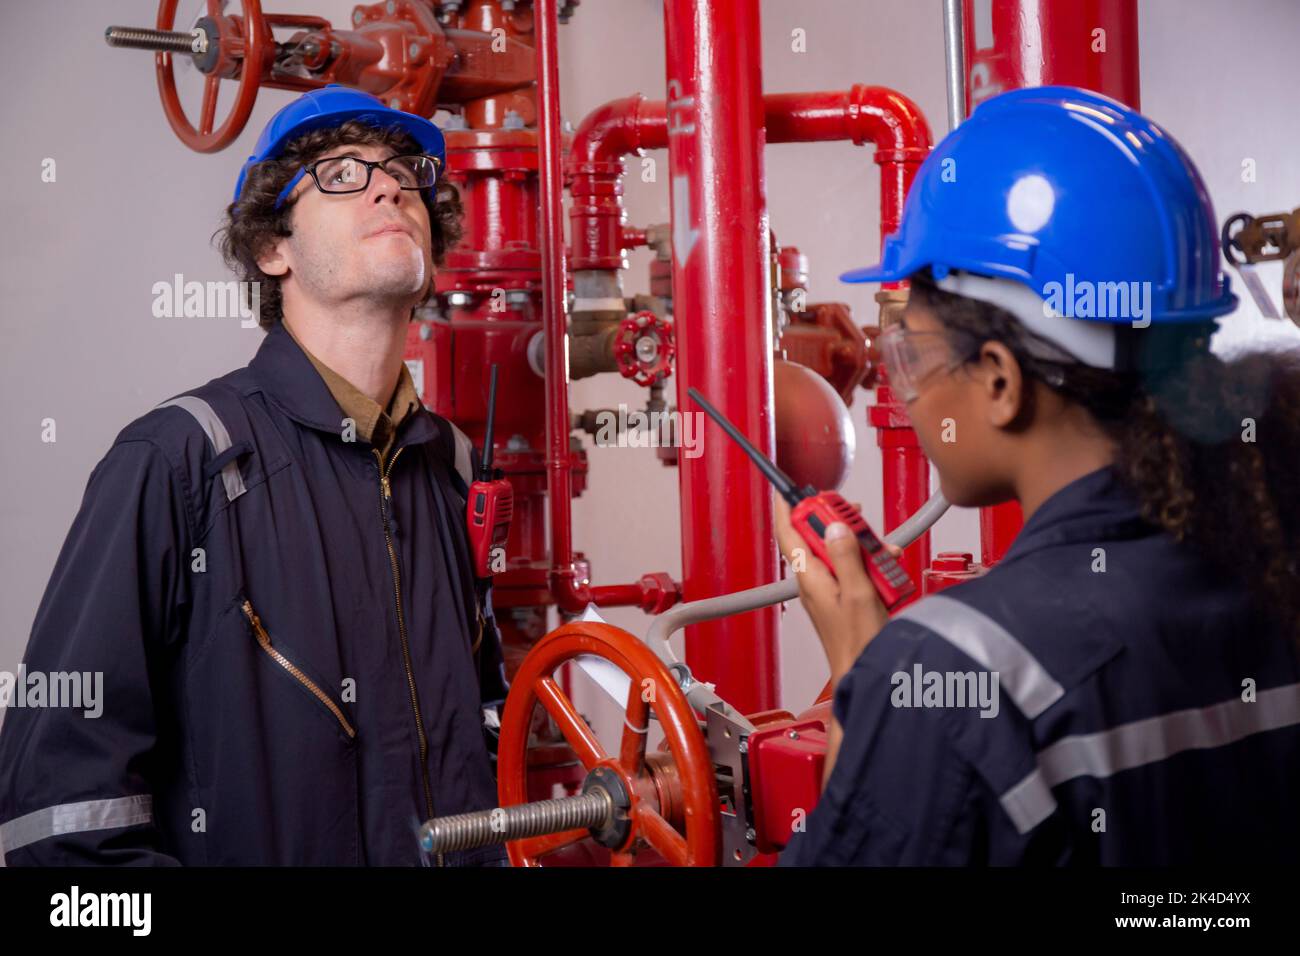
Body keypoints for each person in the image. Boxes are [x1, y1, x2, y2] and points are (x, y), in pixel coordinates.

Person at [776, 86, 1300, 865]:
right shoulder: (1272, 558)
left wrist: (865, 671)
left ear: (998, 379)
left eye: (909, 357)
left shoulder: (949, 672)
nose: (906, 392)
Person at [0, 86, 507, 865]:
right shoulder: (180, 460)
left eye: (406, 172)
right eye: (342, 173)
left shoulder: (450, 466)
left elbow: (482, 737)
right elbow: (58, 814)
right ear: (274, 249)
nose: (390, 185)